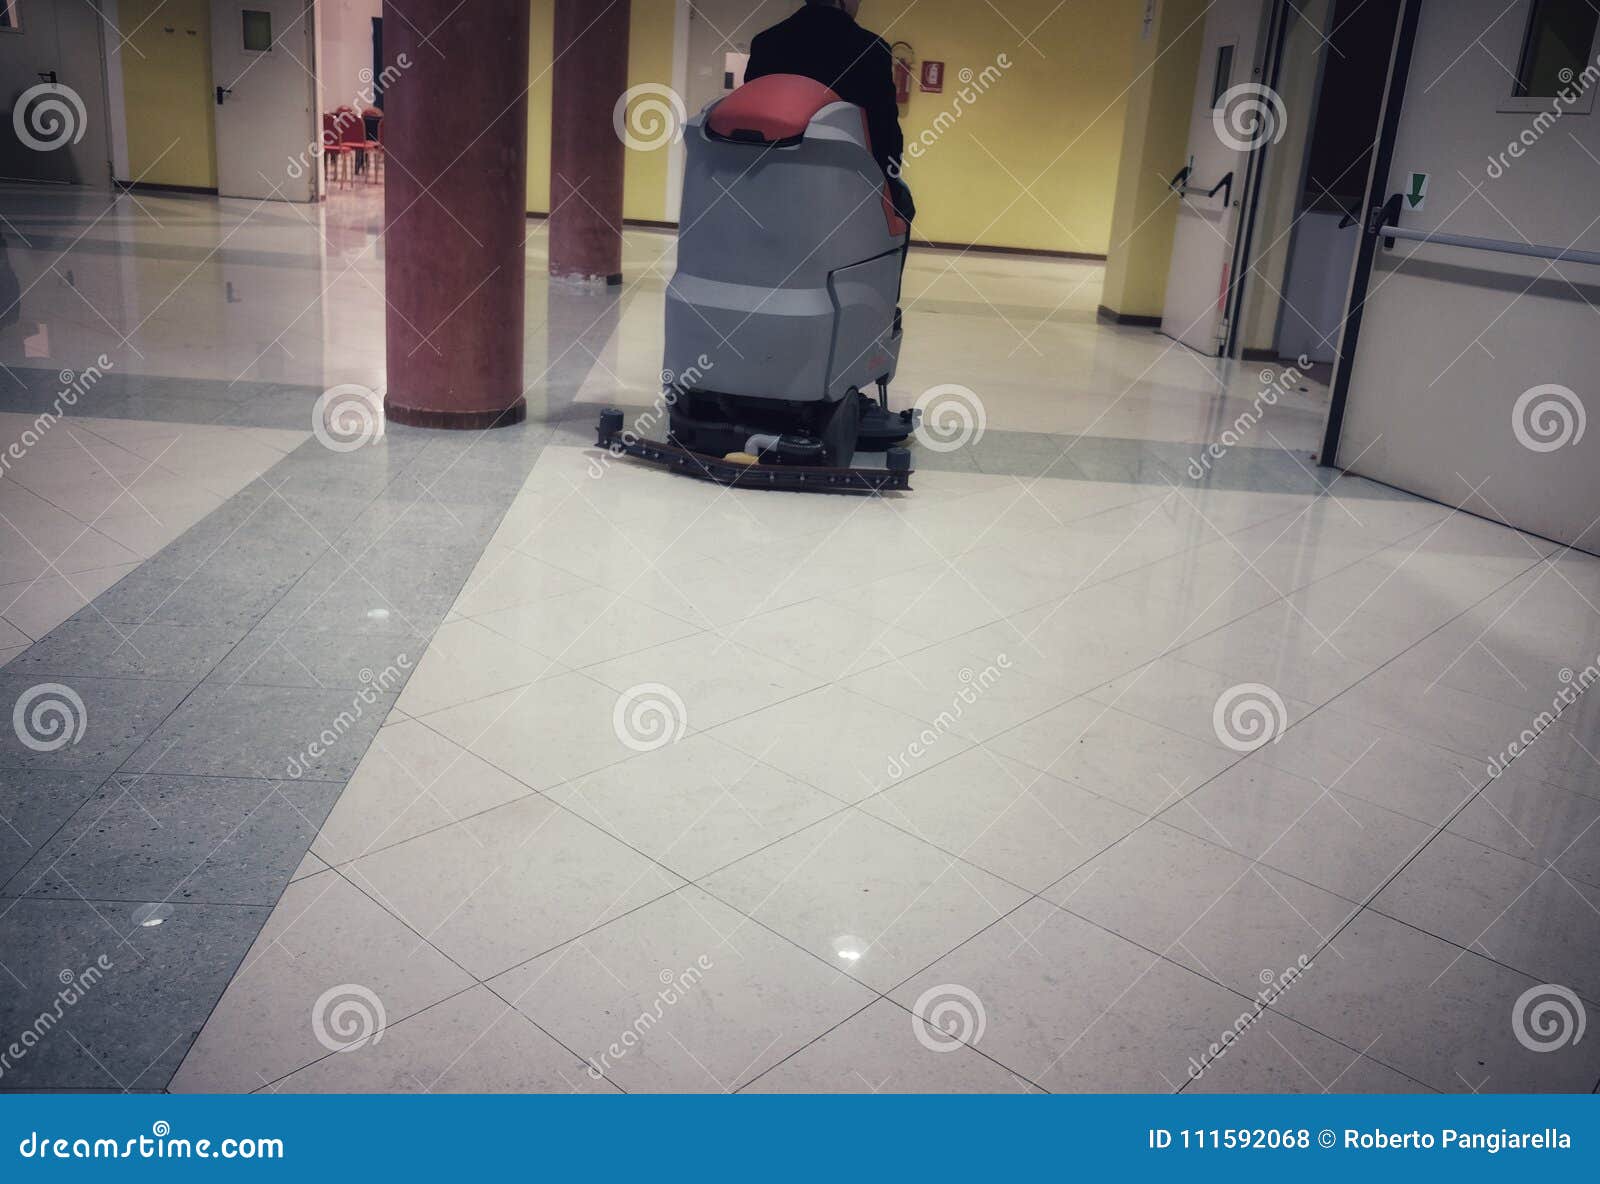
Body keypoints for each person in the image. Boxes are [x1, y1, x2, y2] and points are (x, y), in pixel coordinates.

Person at [745, 0, 915, 223]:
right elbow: (886, 137)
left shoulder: (765, 44)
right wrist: (888, 191)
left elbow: (748, 119)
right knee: (903, 204)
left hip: (771, 186)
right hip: (845, 192)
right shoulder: (871, 49)